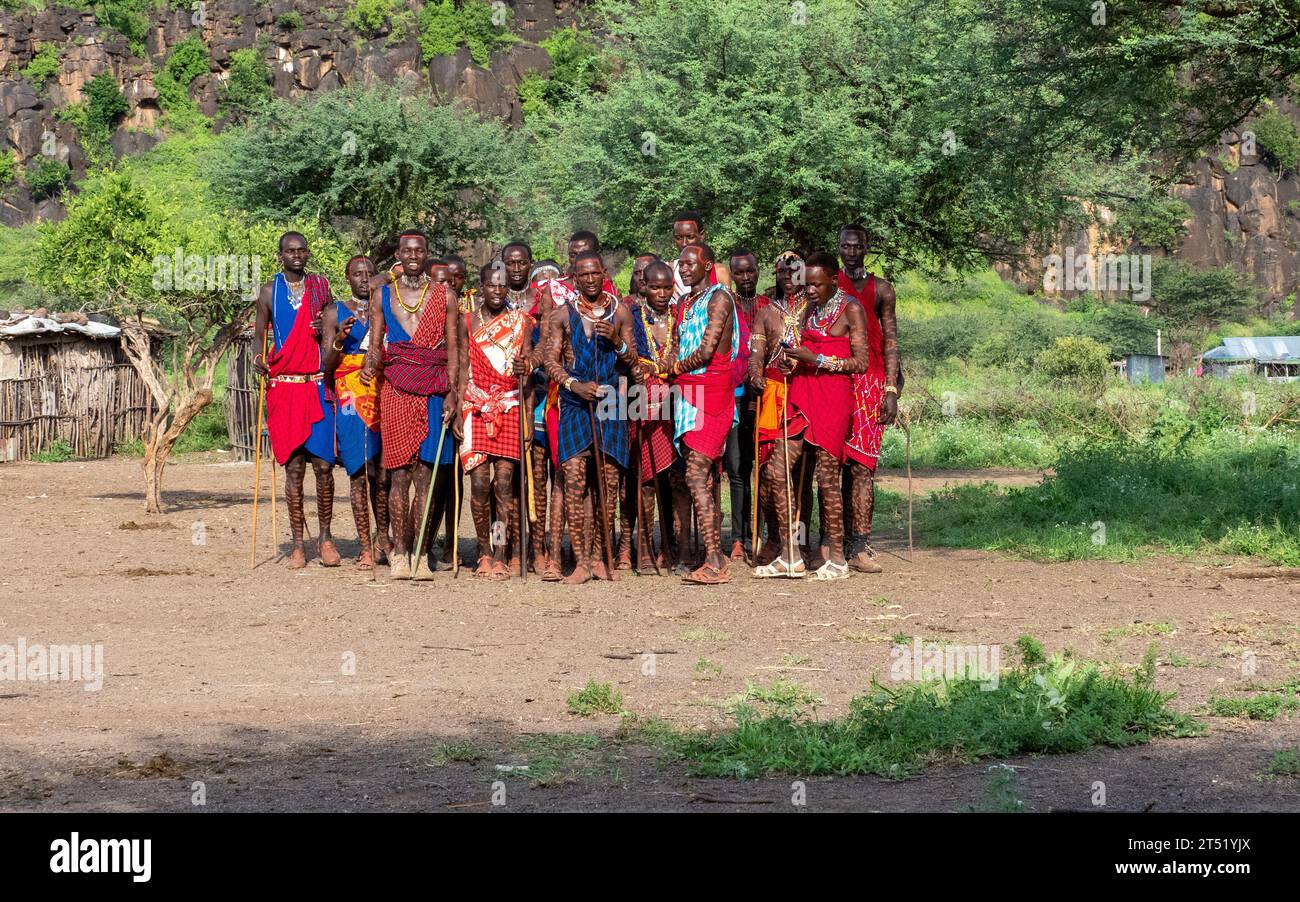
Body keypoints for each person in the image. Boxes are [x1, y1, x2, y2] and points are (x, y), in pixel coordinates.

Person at [755, 253, 869, 580]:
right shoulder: (810, 309)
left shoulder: (851, 308)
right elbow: (802, 350)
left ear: (834, 279)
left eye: (818, 284)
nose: (812, 289)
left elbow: (860, 362)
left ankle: (837, 558)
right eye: (808, 284)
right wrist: (793, 362)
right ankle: (790, 554)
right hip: (803, 392)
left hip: (834, 395)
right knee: (776, 469)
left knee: (826, 476)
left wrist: (816, 358)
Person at [361, 230, 461, 581]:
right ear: (399, 255)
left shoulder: (445, 295)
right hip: (396, 389)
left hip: (435, 389)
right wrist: (369, 365)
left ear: (427, 253)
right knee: (399, 476)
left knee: (427, 473)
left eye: (419, 250)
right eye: (407, 251)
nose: (414, 256)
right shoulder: (383, 295)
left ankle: (419, 550)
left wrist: (454, 394)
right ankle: (399, 552)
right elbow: (376, 344)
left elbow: (453, 349)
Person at [542, 250, 639, 584]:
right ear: (575, 276)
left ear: (604, 272)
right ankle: (581, 561)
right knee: (573, 479)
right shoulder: (561, 315)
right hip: (574, 401)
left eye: (594, 273)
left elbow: (634, 363)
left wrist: (617, 341)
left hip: (612, 401)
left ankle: (599, 556)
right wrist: (574, 384)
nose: (589, 280)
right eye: (582, 275)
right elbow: (550, 362)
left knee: (608, 484)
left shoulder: (621, 312)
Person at [252, 231, 340, 570]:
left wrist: (324, 324)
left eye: (302, 250)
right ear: (280, 256)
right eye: (290, 251)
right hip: (285, 386)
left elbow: (332, 324)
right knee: (294, 468)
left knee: (323, 467)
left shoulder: (321, 286)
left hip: (316, 384)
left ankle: (327, 538)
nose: (297, 256)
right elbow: (260, 333)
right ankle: (298, 546)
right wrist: (258, 358)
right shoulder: (268, 291)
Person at [667, 242, 738, 584]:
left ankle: (714, 559)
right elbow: (677, 345)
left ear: (707, 264)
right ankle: (713, 556)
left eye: (690, 263)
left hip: (712, 391)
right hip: (686, 391)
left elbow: (707, 349)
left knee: (696, 474)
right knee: (700, 476)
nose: (683, 269)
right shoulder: (683, 302)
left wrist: (674, 367)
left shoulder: (720, 297)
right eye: (680, 264)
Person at [458, 261, 533, 580]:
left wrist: (528, 414)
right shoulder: (466, 321)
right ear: (481, 286)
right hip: (475, 405)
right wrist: (456, 405)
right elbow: (461, 367)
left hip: (510, 405)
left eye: (503, 286)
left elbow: (527, 371)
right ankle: (483, 550)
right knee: (477, 483)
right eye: (492, 284)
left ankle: (501, 550)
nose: (498, 290)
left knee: (504, 485)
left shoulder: (521, 322)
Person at [838, 224, 901, 574]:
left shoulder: (882, 290)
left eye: (856, 246)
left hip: (871, 384)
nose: (850, 252)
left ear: (866, 247)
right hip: (836, 380)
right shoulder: (831, 286)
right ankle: (834, 542)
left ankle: (860, 544)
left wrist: (891, 389)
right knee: (832, 467)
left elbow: (891, 340)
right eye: (844, 246)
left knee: (862, 467)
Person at [321, 255, 390, 569]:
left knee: (385, 473)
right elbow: (326, 365)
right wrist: (339, 341)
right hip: (350, 397)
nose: (364, 279)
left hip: (382, 391)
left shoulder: (385, 306)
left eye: (369, 273)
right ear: (347, 277)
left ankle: (384, 539)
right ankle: (365, 546)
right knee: (359, 472)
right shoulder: (335, 311)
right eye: (358, 274)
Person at [628, 260, 691, 574]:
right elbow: (628, 358)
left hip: (682, 401)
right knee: (648, 479)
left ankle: (680, 548)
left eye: (668, 287)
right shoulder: (634, 317)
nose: (662, 293)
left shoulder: (683, 315)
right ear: (644, 286)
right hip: (644, 401)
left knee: (680, 478)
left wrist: (664, 370)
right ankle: (644, 549)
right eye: (655, 287)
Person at [747, 251, 807, 566]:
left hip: (804, 394)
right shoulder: (767, 312)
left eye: (794, 270)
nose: (788, 275)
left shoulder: (814, 308)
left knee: (800, 476)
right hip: (771, 394)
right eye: (783, 270)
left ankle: (801, 542)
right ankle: (775, 540)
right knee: (769, 473)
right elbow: (756, 351)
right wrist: (755, 374)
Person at [722, 248, 763, 561]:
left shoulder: (768, 304)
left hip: (764, 396)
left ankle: (758, 533)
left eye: (750, 271)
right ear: (732, 275)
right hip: (732, 394)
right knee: (736, 467)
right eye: (740, 272)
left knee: (761, 465)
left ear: (758, 271)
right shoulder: (726, 305)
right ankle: (737, 538)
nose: (746, 277)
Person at [669, 211, 731, 301]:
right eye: (679, 238)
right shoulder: (669, 271)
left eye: (690, 237)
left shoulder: (718, 272)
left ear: (701, 235)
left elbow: (729, 307)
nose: (684, 243)